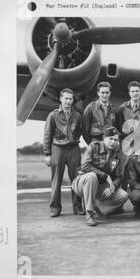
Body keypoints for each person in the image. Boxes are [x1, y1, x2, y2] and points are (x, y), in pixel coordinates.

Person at [72, 126, 129, 226]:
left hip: (101, 186)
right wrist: (105, 176)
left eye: (115, 140)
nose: (113, 142)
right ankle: (89, 214)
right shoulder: (94, 147)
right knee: (92, 176)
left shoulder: (118, 154)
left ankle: (99, 206)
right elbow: (85, 166)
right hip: (82, 183)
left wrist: (113, 187)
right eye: (110, 139)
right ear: (104, 138)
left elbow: (118, 176)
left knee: (123, 196)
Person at [43, 88, 83, 217]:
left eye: (70, 99)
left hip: (73, 148)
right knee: (56, 179)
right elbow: (47, 135)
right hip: (57, 148)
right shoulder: (53, 115)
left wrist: (74, 141)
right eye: (66, 98)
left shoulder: (77, 115)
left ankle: (77, 207)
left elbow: (80, 131)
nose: (68, 101)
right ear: (61, 99)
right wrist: (47, 154)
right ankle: (55, 208)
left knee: (76, 179)